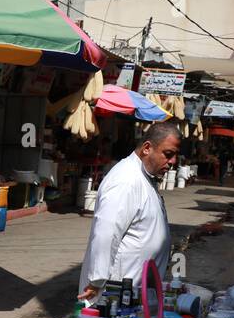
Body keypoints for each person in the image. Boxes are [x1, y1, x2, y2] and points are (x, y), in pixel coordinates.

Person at [77, 122, 180, 302]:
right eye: (168, 154)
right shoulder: (125, 180)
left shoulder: (144, 177)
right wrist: (96, 280)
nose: (173, 162)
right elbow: (106, 233)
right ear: (147, 148)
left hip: (135, 292)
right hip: (114, 293)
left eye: (175, 156)